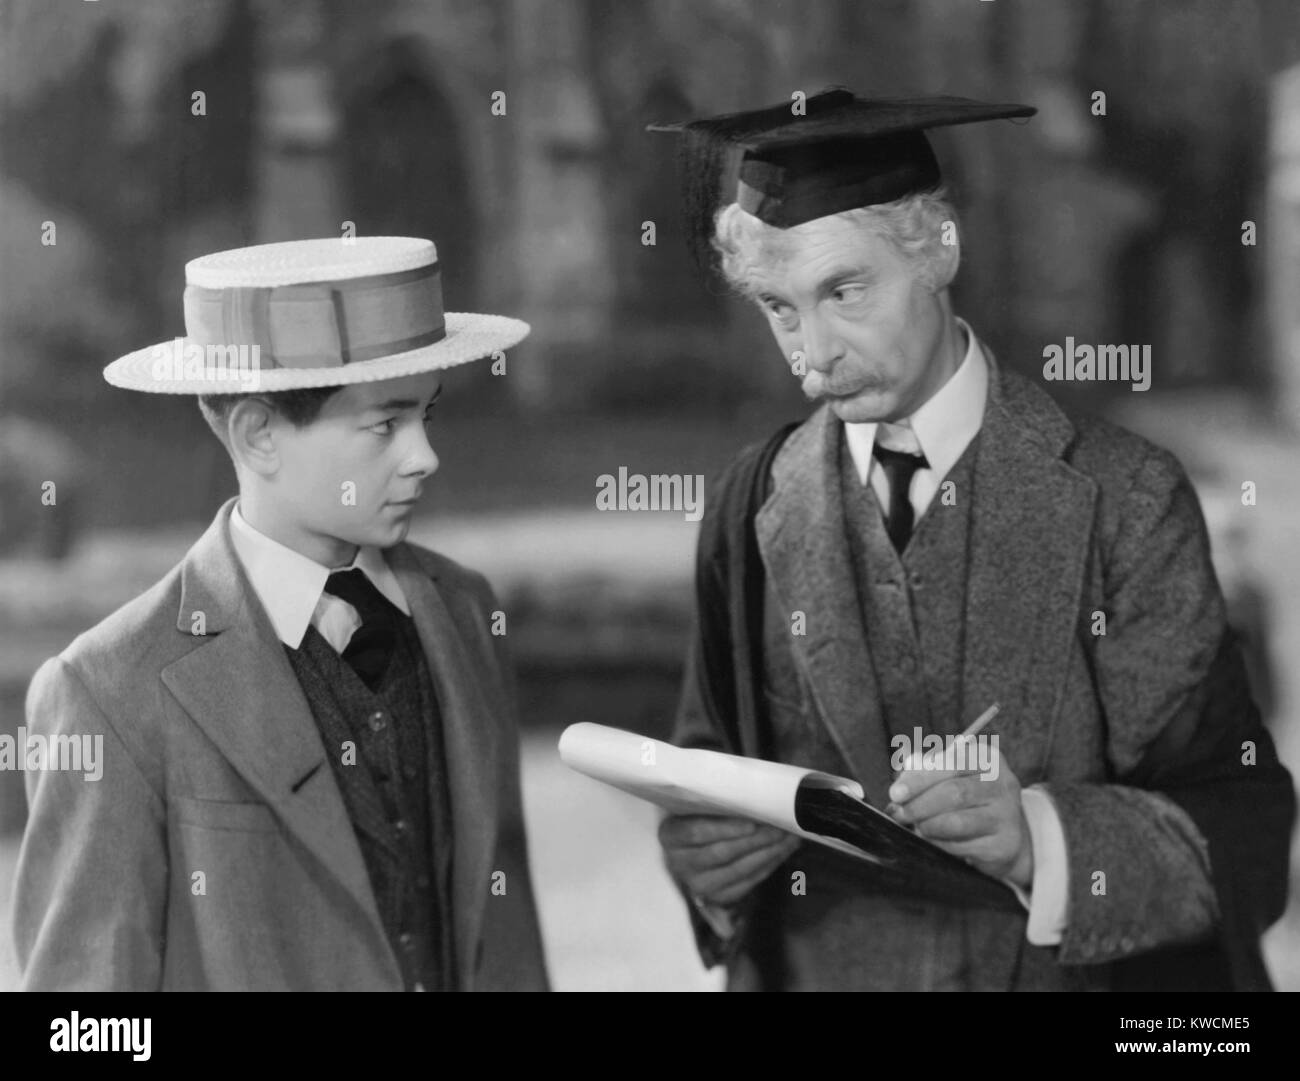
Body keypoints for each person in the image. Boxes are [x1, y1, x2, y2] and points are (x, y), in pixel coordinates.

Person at [652, 90, 1294, 991]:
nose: (811, 354)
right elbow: (705, 776)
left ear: (939, 248)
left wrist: (1044, 839)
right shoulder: (749, 503)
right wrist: (705, 864)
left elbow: (1245, 830)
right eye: (779, 307)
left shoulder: (1129, 496)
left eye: (844, 291)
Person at [11, 236, 549, 991]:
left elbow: (506, 932)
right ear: (258, 435)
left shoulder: (464, 613)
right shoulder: (109, 690)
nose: (424, 455)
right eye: (385, 424)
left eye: (428, 414)